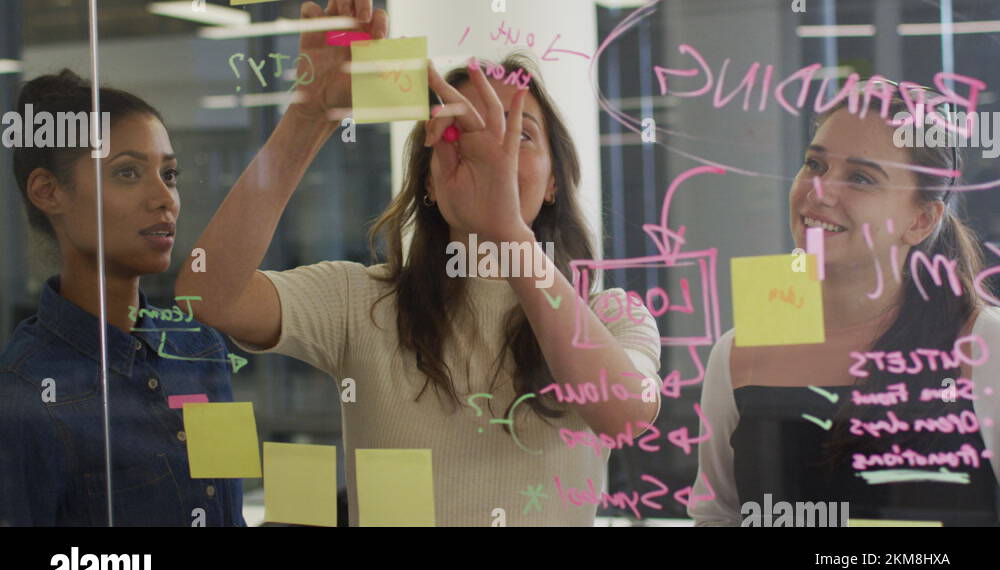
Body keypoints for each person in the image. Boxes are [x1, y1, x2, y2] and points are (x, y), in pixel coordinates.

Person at [176, 0, 662, 526]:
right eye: (463, 128)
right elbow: (207, 295)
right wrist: (309, 114)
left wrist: (507, 235)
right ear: (428, 180)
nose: (489, 150)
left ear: (552, 184)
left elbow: (623, 418)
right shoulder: (363, 301)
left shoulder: (610, 314)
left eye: (517, 133)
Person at [690, 82, 1000, 526]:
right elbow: (718, 515)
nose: (819, 192)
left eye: (860, 178)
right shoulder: (746, 342)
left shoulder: (982, 340)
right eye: (814, 164)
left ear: (920, 219)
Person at [0, 70, 245, 526]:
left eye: (169, 174)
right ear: (48, 192)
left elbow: (228, 515)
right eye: (128, 173)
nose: (165, 198)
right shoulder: (24, 392)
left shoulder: (201, 349)